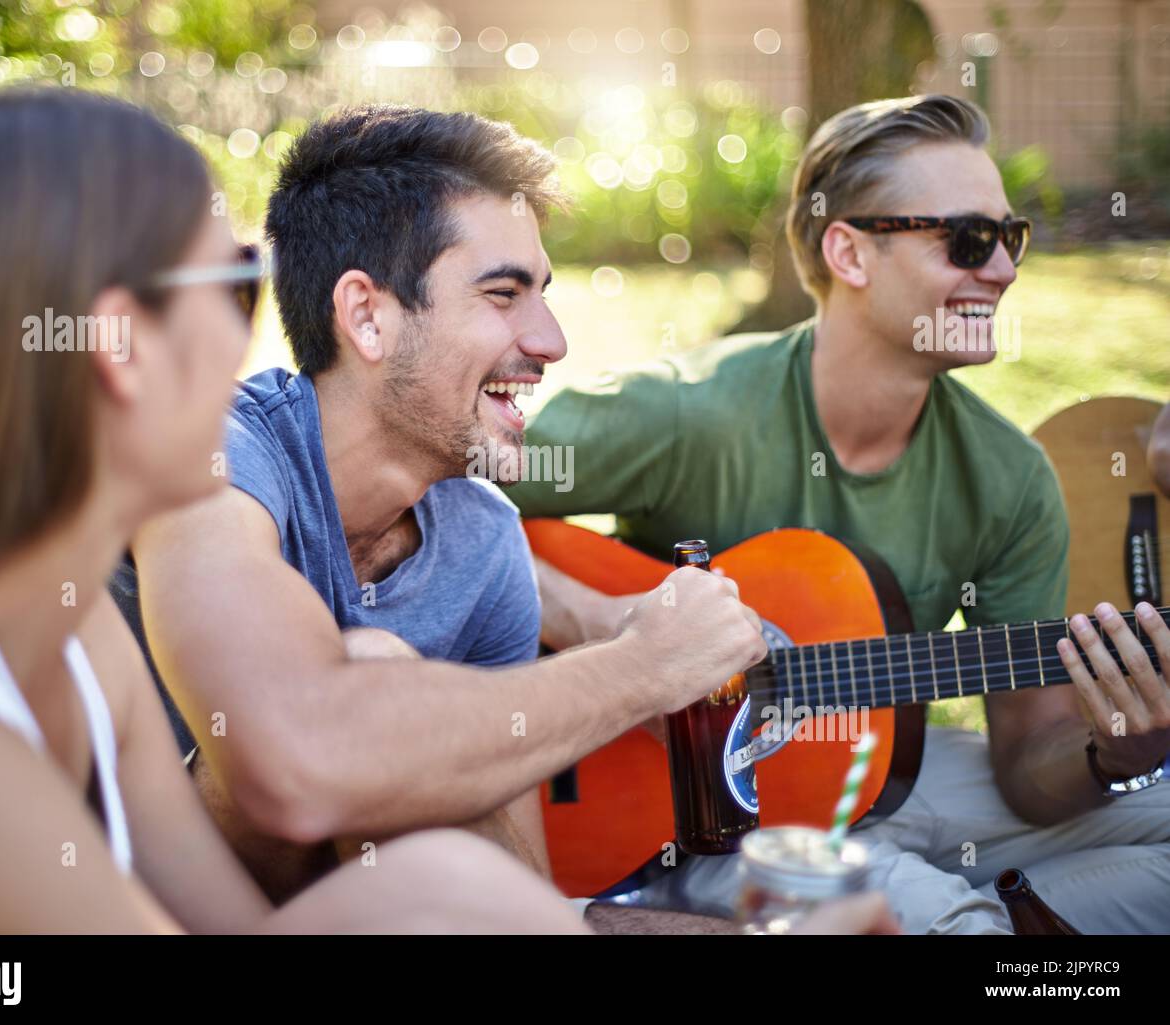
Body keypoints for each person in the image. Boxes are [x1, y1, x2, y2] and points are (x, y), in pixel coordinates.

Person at [0, 87, 588, 935]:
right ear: (120, 346)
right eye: (239, 286)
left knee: (441, 884)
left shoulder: (78, 643)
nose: (259, 355)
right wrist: (638, 658)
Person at [507, 94, 1170, 933]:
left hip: (880, 770)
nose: (1001, 270)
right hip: (695, 806)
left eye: (1012, 239)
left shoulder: (1010, 479)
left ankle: (1008, 916)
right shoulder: (689, 415)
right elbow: (419, 481)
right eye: (966, 239)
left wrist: (1116, 755)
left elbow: (1027, 766)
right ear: (849, 252)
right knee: (948, 924)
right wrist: (606, 623)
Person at [105, 104, 773, 917]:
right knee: (372, 676)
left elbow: (514, 889)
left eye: (544, 296)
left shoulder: (484, 540)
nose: (552, 340)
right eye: (503, 294)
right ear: (367, 316)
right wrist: (643, 665)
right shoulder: (218, 455)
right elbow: (287, 758)